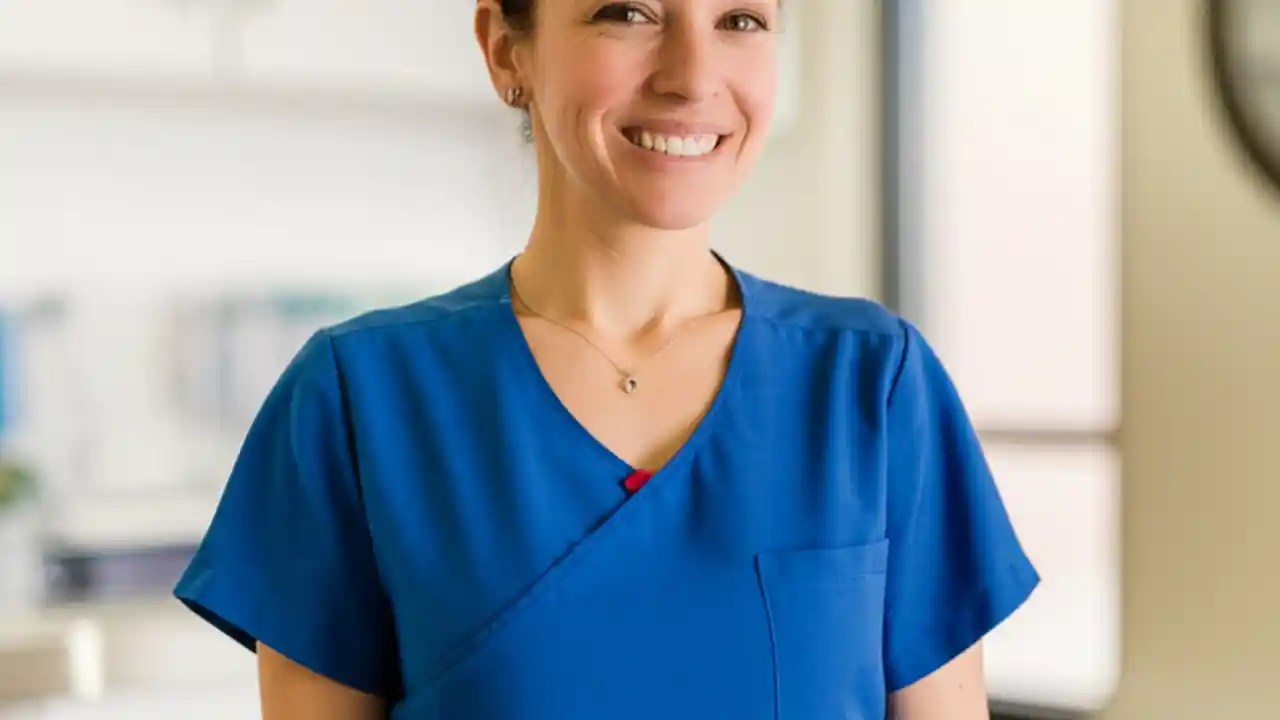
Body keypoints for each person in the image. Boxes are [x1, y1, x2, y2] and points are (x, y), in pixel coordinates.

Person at [172, 1, 1040, 718]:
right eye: (628, 13)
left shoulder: (871, 387)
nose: (693, 77)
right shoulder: (359, 401)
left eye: (740, 20)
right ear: (504, 47)